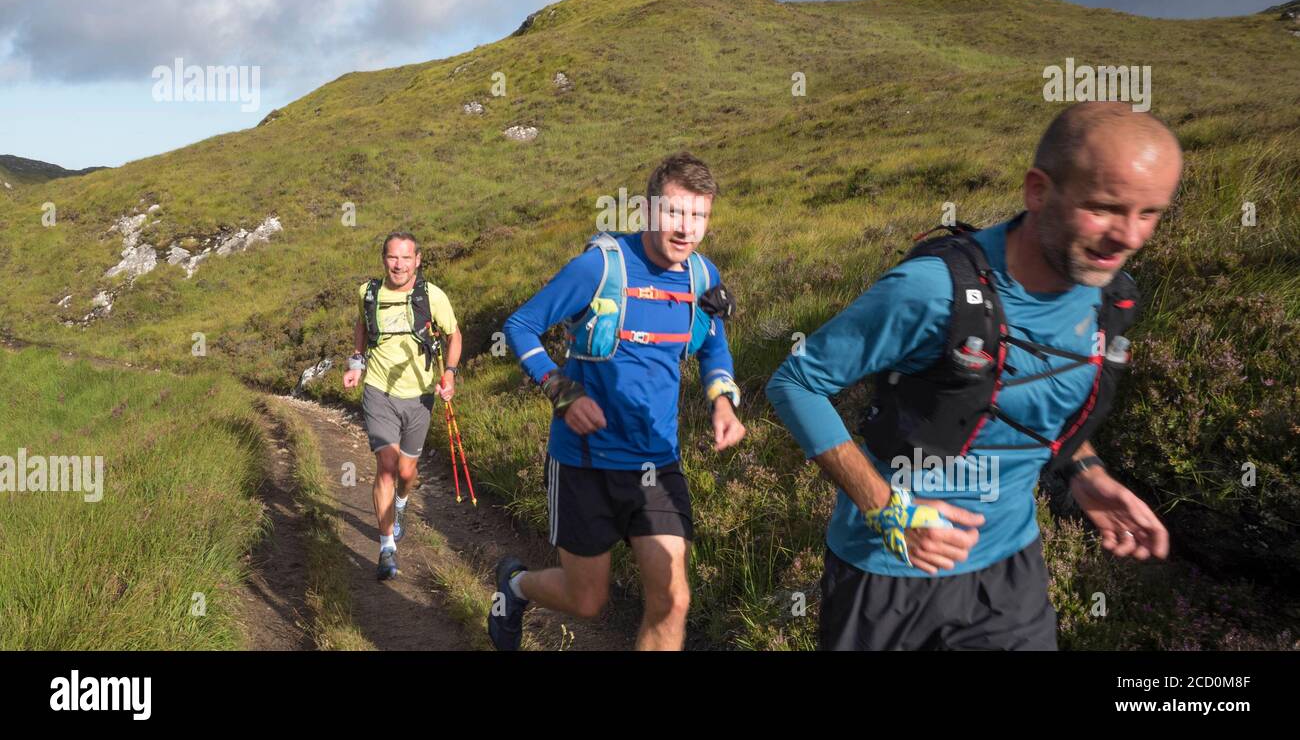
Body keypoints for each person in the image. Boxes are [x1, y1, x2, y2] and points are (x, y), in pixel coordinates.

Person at [766, 102, 1180, 650]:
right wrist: (884, 507)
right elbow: (795, 382)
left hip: (1011, 577)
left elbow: (1039, 400)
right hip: (887, 578)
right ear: (1038, 190)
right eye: (1104, 208)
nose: (1128, 235)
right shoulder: (932, 290)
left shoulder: (1110, 297)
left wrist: (1086, 472)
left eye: (1149, 212)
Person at [490, 152, 746, 650]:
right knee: (588, 601)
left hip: (657, 464)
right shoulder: (598, 268)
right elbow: (520, 326)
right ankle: (515, 586)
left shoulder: (700, 275)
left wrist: (721, 399)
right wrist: (562, 392)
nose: (686, 228)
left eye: (699, 216)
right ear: (649, 210)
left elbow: (713, 342)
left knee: (672, 600)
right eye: (675, 212)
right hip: (585, 464)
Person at [343, 231, 462, 581]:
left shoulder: (432, 296)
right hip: (379, 391)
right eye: (393, 257)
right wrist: (356, 363)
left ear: (418, 260)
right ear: (384, 259)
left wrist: (450, 374)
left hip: (420, 395)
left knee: (407, 474)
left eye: (406, 258)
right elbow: (363, 327)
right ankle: (385, 547)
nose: (399, 264)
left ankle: (401, 503)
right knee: (387, 465)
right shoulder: (368, 294)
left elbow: (454, 334)